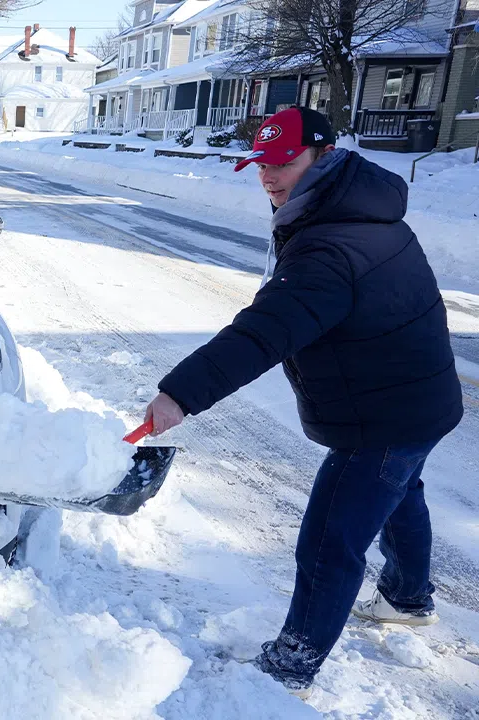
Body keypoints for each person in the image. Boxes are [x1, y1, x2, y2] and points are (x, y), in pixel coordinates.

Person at [142, 106, 463, 697]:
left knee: (330, 540)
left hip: (385, 414)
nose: (268, 174)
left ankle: (292, 665)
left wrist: (179, 395)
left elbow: (264, 331)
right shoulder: (358, 206)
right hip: (421, 399)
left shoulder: (330, 245)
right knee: (400, 493)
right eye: (260, 162)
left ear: (321, 153)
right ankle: (408, 601)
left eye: (283, 161)